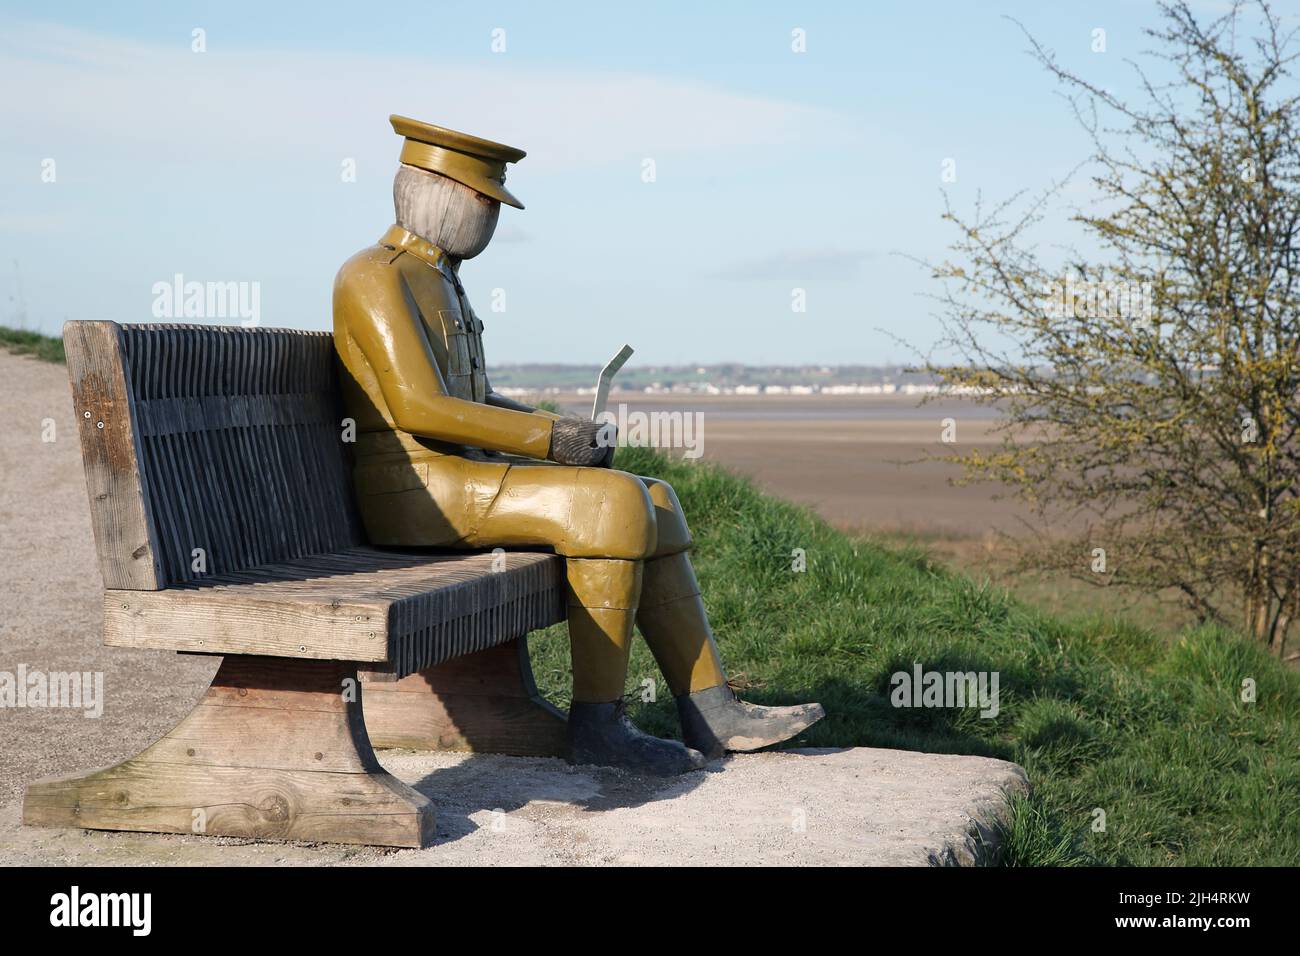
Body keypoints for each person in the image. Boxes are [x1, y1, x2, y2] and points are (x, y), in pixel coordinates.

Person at [332, 115, 823, 775]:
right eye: (485, 204)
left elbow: (471, 402)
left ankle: (712, 708)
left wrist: (557, 432)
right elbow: (421, 408)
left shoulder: (441, 278)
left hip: (463, 480)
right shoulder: (376, 276)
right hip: (423, 492)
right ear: (441, 194)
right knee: (612, 506)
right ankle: (601, 727)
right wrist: (547, 439)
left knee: (657, 498)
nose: (491, 221)